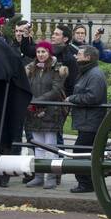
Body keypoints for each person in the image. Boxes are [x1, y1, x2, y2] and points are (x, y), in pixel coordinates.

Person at [24, 41, 69, 189]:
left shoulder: (57, 69)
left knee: (50, 146)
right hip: (33, 111)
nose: (40, 55)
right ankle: (38, 176)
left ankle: (51, 177)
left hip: (51, 111)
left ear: (49, 53)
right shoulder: (31, 69)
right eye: (38, 52)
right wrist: (31, 101)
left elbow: (56, 90)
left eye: (43, 52)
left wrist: (37, 101)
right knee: (38, 146)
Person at [66, 46, 107, 193]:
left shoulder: (94, 74)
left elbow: (93, 97)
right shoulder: (87, 72)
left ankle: (86, 183)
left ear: (88, 58)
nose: (76, 57)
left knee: (79, 151)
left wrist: (72, 98)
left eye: (79, 54)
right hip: (87, 120)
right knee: (84, 151)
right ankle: (88, 182)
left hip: (91, 121)